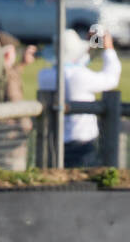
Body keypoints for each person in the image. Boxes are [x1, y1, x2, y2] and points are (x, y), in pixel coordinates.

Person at [37, 27, 121, 168]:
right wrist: (109, 49)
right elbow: (111, 78)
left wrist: (92, 44)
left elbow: (77, 61)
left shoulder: (44, 76)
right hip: (81, 147)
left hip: (53, 143)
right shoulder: (78, 76)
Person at [0, 31, 38, 170]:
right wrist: (27, 127)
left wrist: (22, 64)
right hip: (10, 141)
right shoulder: (9, 76)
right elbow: (15, 100)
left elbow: (8, 75)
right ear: (7, 54)